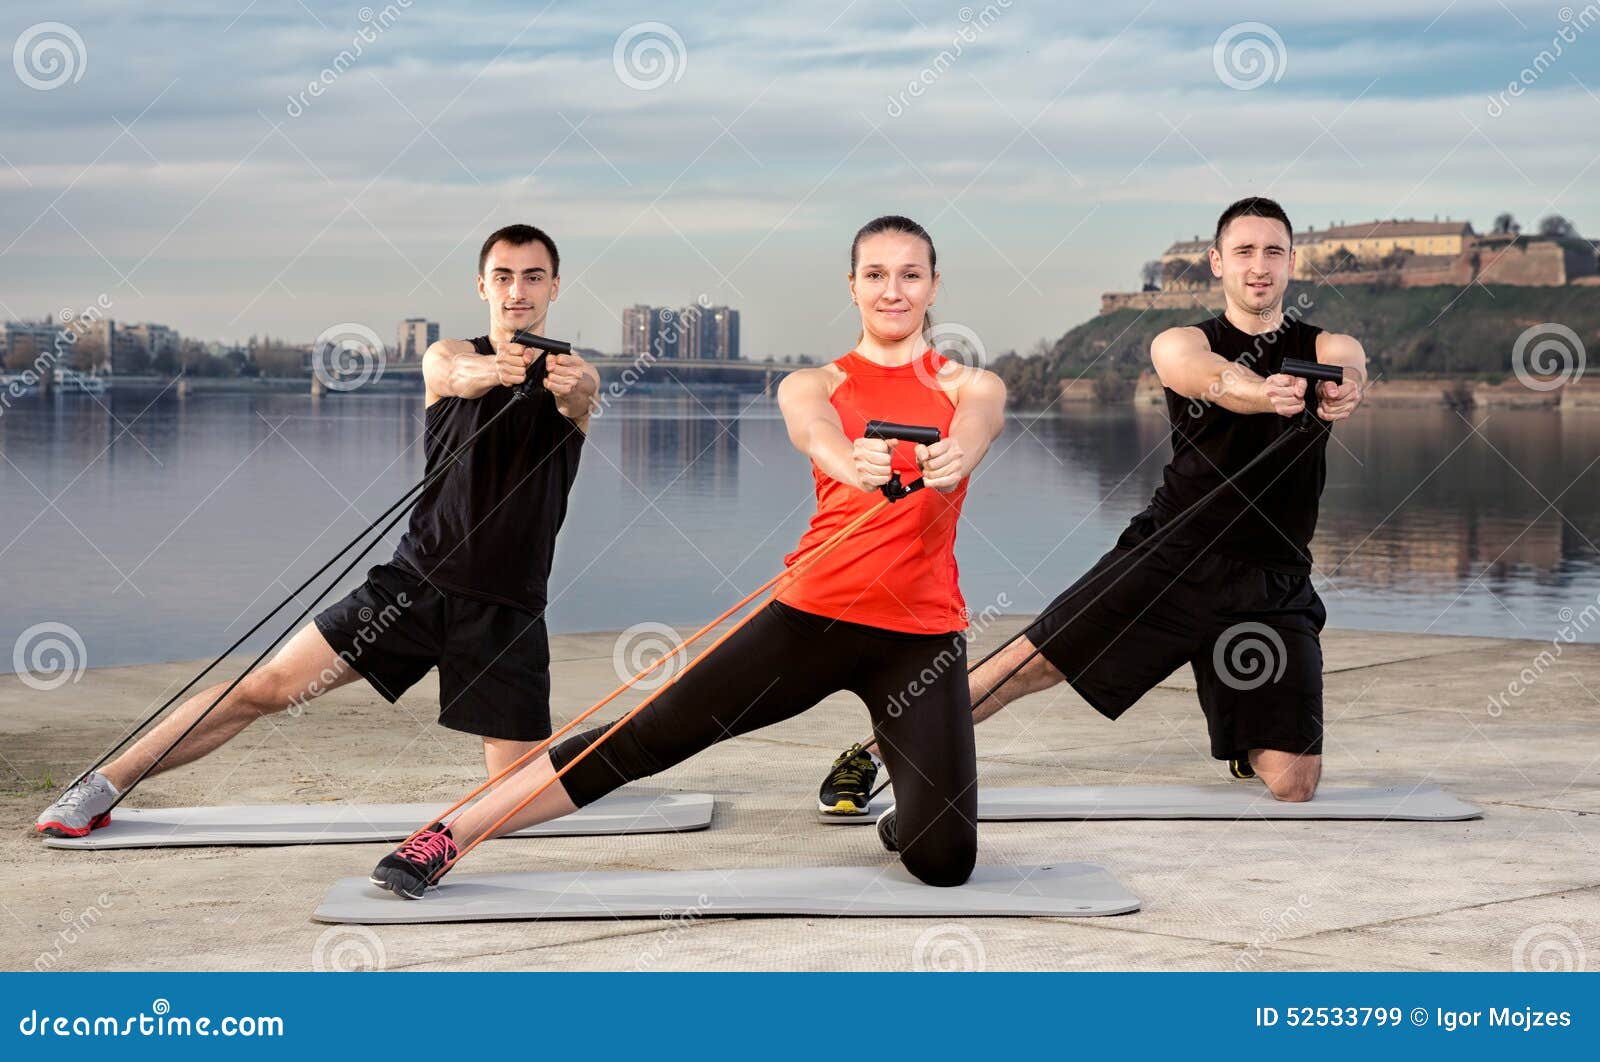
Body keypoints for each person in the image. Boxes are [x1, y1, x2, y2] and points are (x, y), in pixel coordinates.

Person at [368, 214, 1007, 898]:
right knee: (647, 735)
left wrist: (955, 458)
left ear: (933, 285)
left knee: (945, 863)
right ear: (853, 286)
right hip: (812, 617)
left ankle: (908, 817)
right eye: (876, 275)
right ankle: (452, 833)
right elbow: (816, 433)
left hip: (921, 636)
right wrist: (854, 464)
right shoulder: (813, 383)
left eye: (910, 275)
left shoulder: (971, 385)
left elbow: (975, 429)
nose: (893, 290)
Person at [36, 223, 600, 838]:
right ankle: (102, 785)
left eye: (533, 277)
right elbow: (460, 375)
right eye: (504, 276)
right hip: (412, 588)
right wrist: (498, 370)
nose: (517, 290)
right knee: (264, 688)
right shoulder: (448, 357)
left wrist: (566, 386)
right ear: (482, 286)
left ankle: (612, 763)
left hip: (507, 609)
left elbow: (579, 399)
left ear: (554, 287)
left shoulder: (575, 379)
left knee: (512, 800)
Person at [817, 196, 1367, 817]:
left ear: (1292, 261)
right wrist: (1265, 393)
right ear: (1217, 262)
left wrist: (1344, 388)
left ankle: (1239, 720)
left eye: (1273, 252)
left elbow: (1349, 369)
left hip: (1274, 574)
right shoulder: (1182, 342)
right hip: (1172, 553)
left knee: (1294, 784)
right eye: (1244, 251)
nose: (1259, 266)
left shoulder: (1328, 345)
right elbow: (1213, 379)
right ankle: (873, 751)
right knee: (1029, 664)